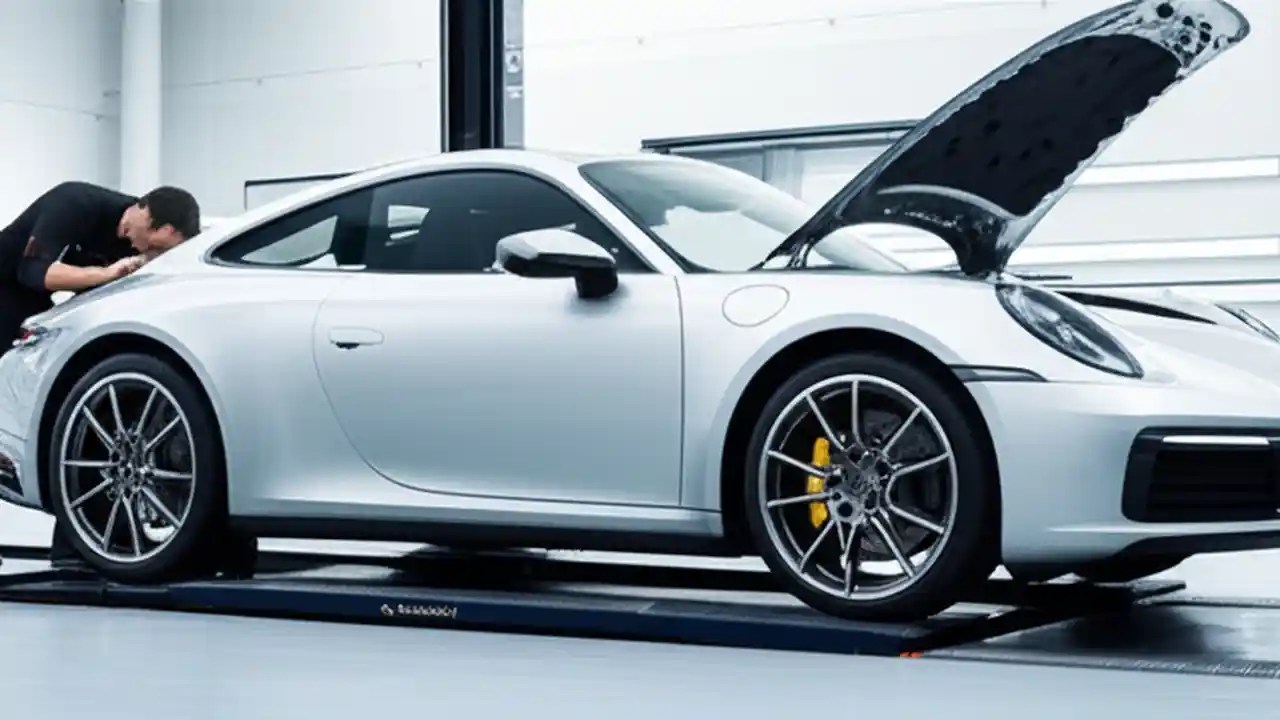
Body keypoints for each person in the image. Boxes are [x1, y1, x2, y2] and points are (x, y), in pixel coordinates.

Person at [0, 180, 201, 570]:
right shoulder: (75, 203)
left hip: (38, 309)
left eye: (161, 251)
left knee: (84, 415)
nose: (148, 252)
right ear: (143, 213)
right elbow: (34, 272)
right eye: (153, 243)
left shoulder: (139, 243)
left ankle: (74, 547)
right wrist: (107, 274)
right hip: (7, 287)